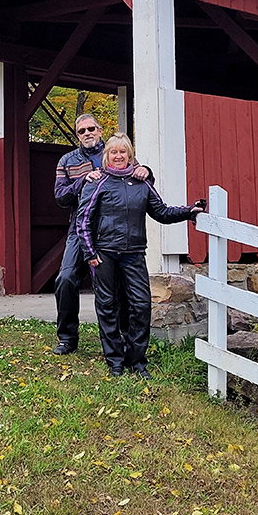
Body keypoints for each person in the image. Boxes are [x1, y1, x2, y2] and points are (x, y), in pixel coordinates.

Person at [76, 132, 205, 379]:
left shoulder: (142, 183)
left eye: (122, 152)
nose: (118, 156)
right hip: (104, 255)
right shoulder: (96, 182)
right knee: (107, 306)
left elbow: (163, 212)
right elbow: (83, 221)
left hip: (133, 255)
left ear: (130, 156)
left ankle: (136, 361)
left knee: (141, 305)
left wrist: (189, 211)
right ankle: (115, 361)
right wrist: (90, 253)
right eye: (113, 152)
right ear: (106, 156)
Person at [53, 114, 150, 355]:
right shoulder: (67, 161)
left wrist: (146, 170)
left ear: (99, 129)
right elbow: (60, 197)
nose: (87, 133)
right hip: (80, 229)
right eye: (81, 131)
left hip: (112, 232)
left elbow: (138, 178)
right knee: (65, 279)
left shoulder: (114, 151)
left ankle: (124, 339)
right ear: (77, 135)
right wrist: (82, 181)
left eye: (91, 129)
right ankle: (67, 337)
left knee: (120, 286)